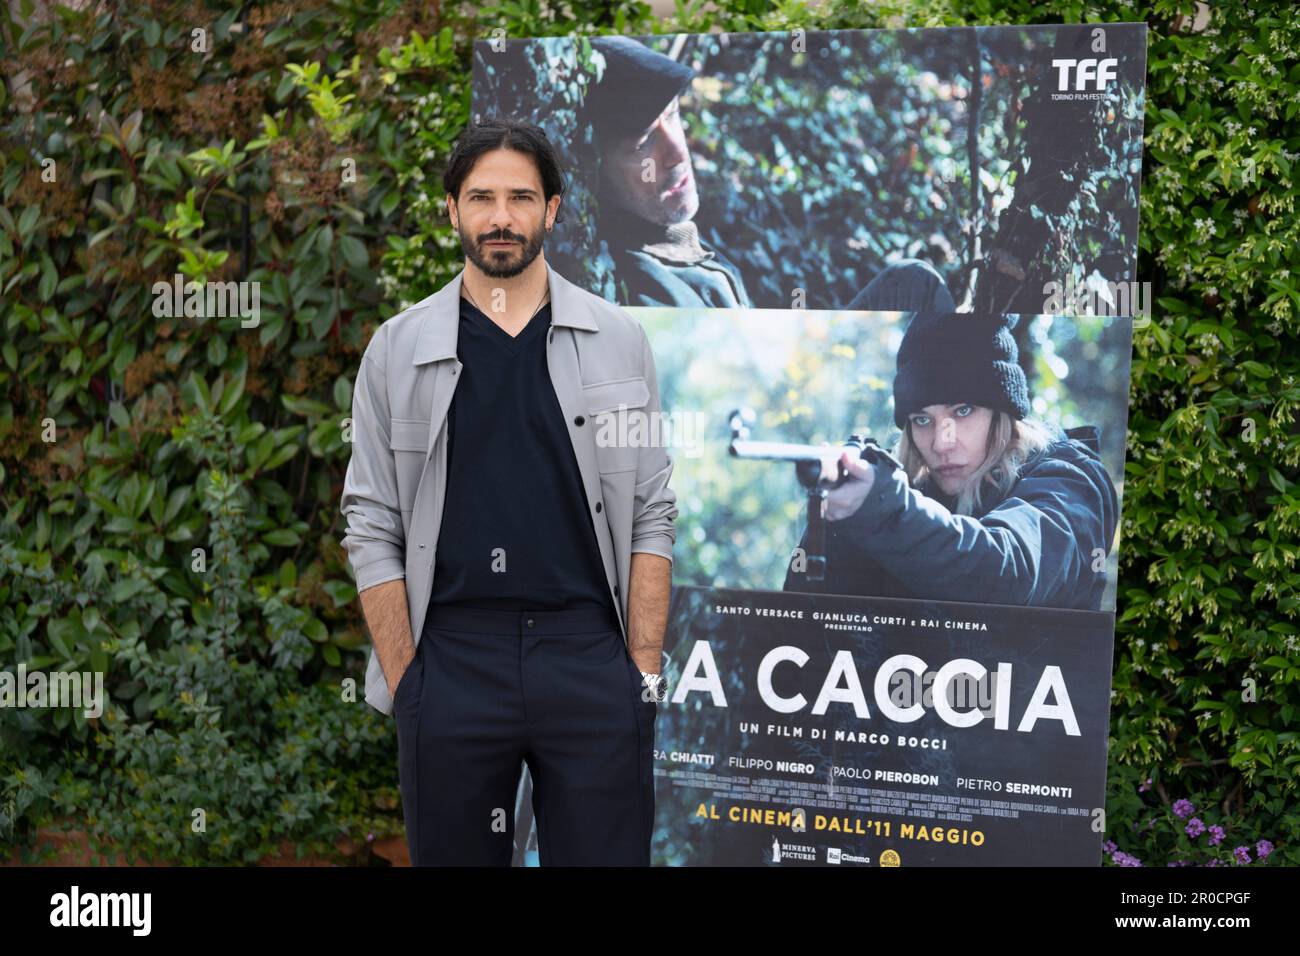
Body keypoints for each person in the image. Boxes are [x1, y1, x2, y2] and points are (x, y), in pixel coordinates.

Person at [339, 118, 676, 866]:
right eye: (481, 197)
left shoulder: (619, 339)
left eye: (521, 197)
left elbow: (653, 512)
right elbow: (369, 521)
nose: (501, 217)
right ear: (452, 210)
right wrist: (410, 681)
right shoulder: (399, 348)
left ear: (553, 210)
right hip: (453, 657)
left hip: (589, 652)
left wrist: (640, 675)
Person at [577, 35, 956, 313]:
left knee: (913, 282)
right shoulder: (644, 286)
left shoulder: (659, 234)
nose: (677, 152)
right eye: (643, 142)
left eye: (673, 115)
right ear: (593, 170)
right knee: (915, 283)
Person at [782, 313, 1119, 612]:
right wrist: (843, 520)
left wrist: (883, 507)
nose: (942, 443)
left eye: (962, 411)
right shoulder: (916, 498)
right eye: (922, 419)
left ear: (1002, 414)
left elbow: (1007, 574)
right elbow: (810, 619)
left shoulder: (1070, 479)